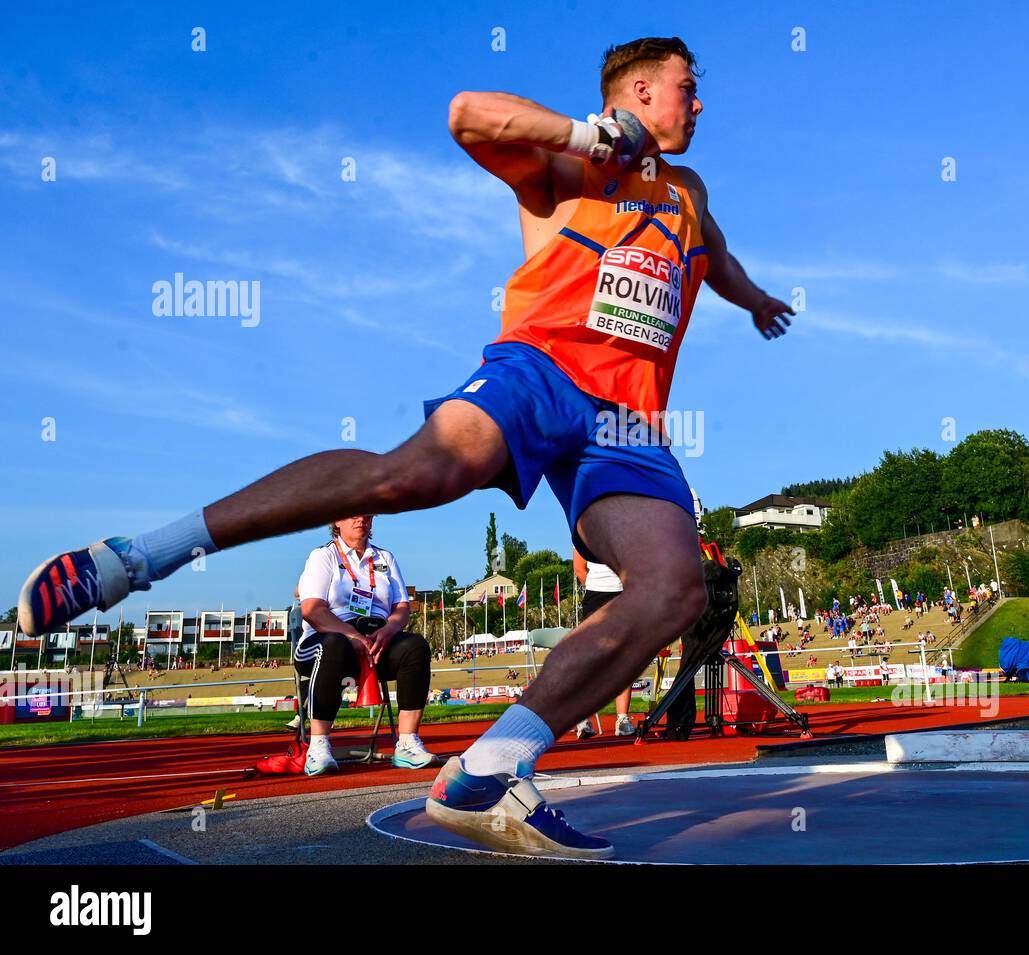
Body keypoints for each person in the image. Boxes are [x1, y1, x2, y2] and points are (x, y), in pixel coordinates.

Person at [19, 36, 791, 860]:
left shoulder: (690, 191)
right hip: (543, 370)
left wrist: (754, 301)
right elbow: (468, 117)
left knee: (675, 588)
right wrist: (591, 135)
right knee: (416, 474)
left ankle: (487, 771)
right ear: (640, 89)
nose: (699, 103)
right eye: (687, 88)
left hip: (629, 422)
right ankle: (132, 558)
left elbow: (717, 259)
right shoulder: (573, 166)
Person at [293, 516, 437, 775]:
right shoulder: (322, 557)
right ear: (336, 520)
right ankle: (319, 746)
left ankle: (406, 742)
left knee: (415, 647)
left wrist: (389, 630)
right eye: (353, 513)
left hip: (376, 640)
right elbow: (312, 610)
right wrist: (352, 636)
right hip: (326, 641)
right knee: (334, 645)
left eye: (367, 513)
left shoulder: (385, 558)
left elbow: (401, 607)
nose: (361, 518)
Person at [572, 550, 636, 738]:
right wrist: (598, 586)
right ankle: (583, 718)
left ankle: (622, 719)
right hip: (598, 596)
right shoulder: (584, 531)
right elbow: (579, 568)